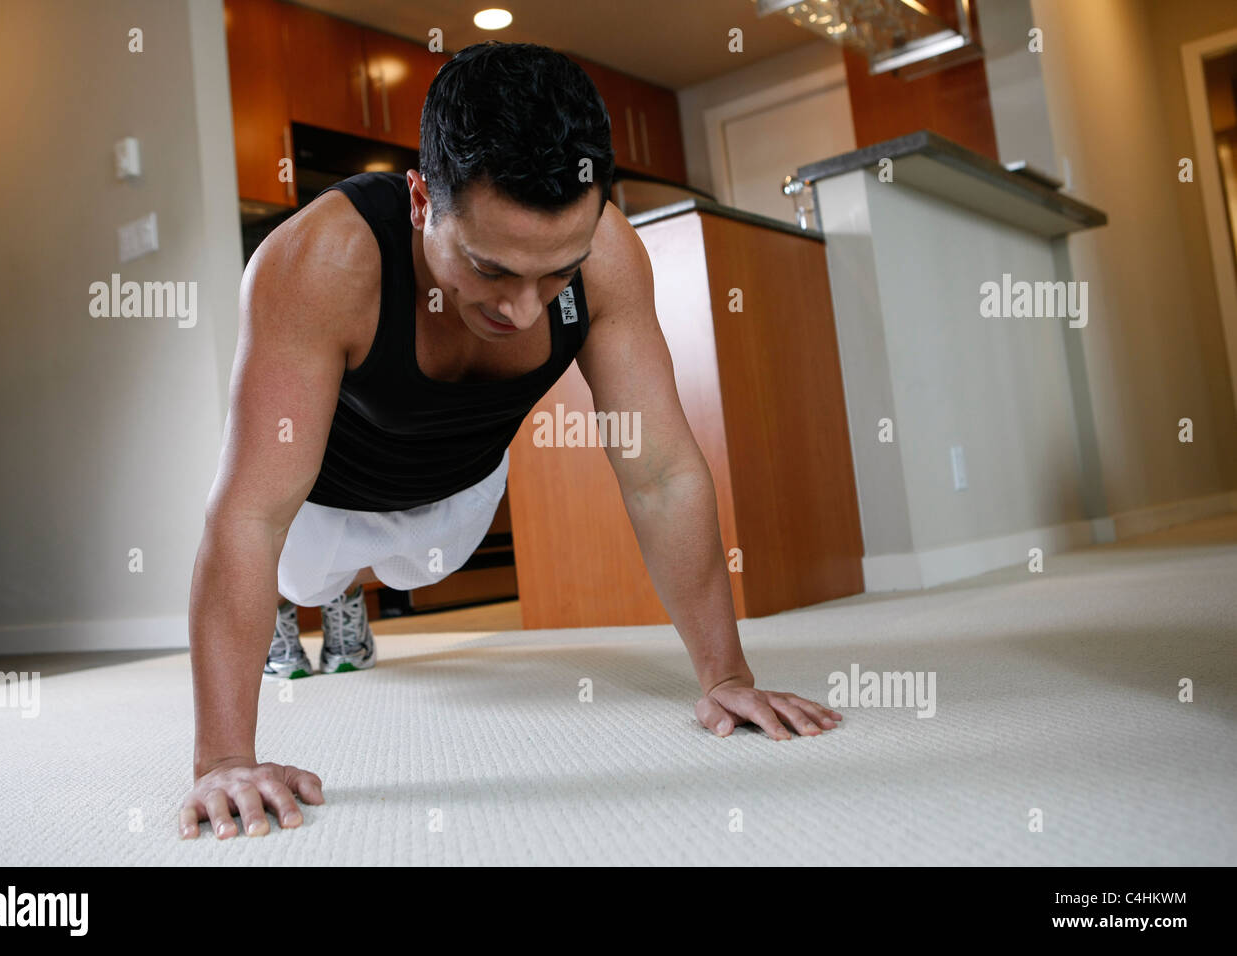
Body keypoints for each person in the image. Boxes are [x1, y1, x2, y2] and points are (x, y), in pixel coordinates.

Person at [179, 41, 842, 840]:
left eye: (556, 273)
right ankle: (316, 602)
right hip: (321, 504)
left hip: (458, 497)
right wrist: (222, 759)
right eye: (490, 268)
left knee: (418, 562)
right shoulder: (317, 263)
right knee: (307, 573)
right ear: (422, 202)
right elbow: (249, 514)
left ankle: (353, 584)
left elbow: (661, 471)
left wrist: (726, 674)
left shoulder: (611, 260)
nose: (525, 311)